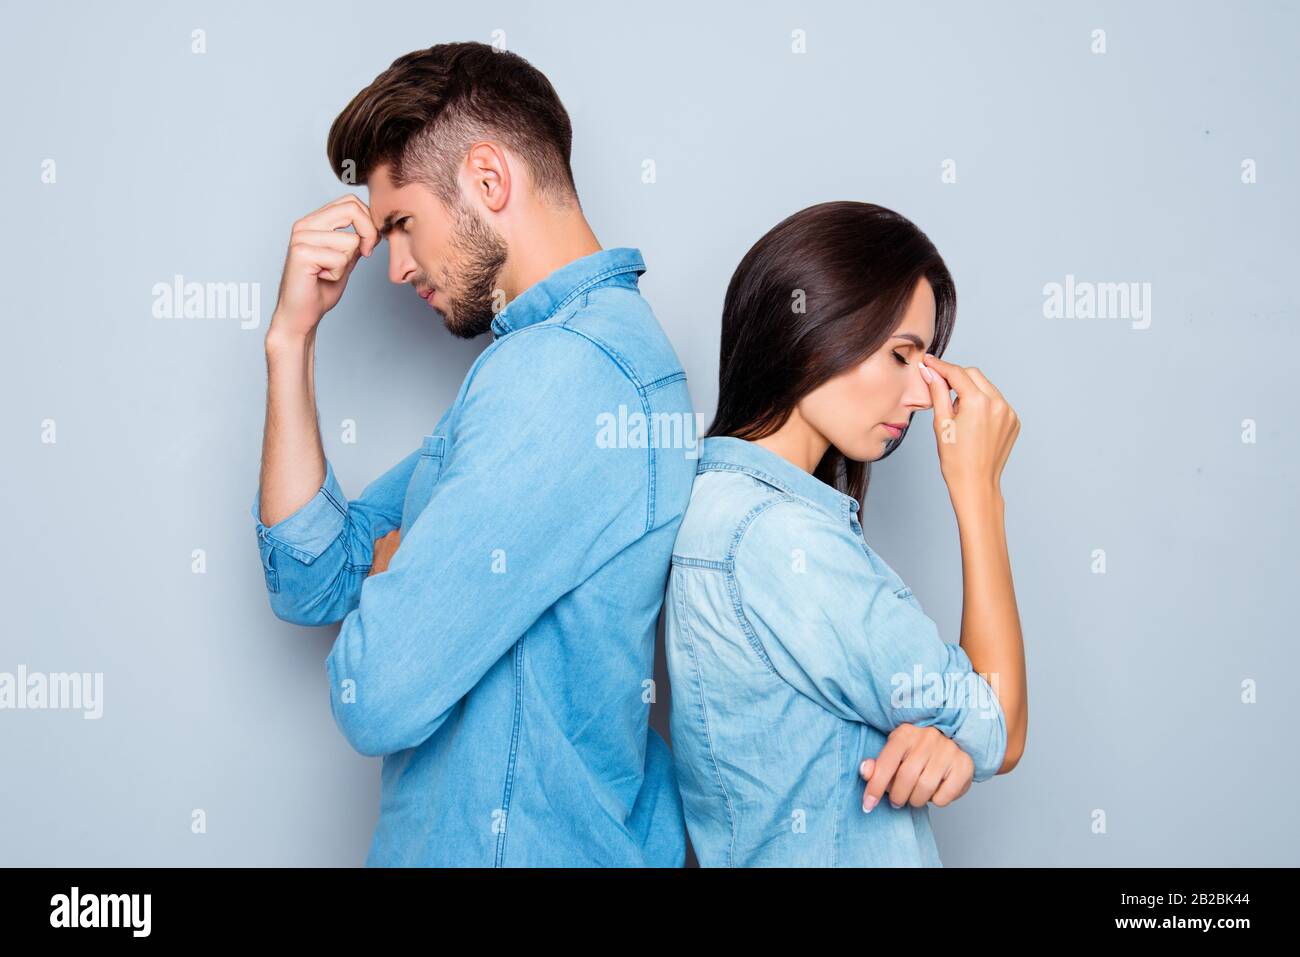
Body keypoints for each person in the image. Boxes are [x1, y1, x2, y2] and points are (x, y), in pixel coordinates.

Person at [250, 42, 696, 866]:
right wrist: (291, 340)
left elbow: (372, 691)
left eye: (402, 225)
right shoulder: (543, 365)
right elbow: (314, 576)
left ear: (489, 180)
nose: (395, 268)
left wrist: (391, 577)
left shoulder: (562, 377)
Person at [665, 201, 1028, 866]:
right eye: (900, 355)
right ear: (813, 325)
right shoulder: (778, 538)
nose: (922, 396)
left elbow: (959, 722)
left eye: (928, 364)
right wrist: (979, 492)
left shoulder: (719, 506)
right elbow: (1001, 724)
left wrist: (945, 734)